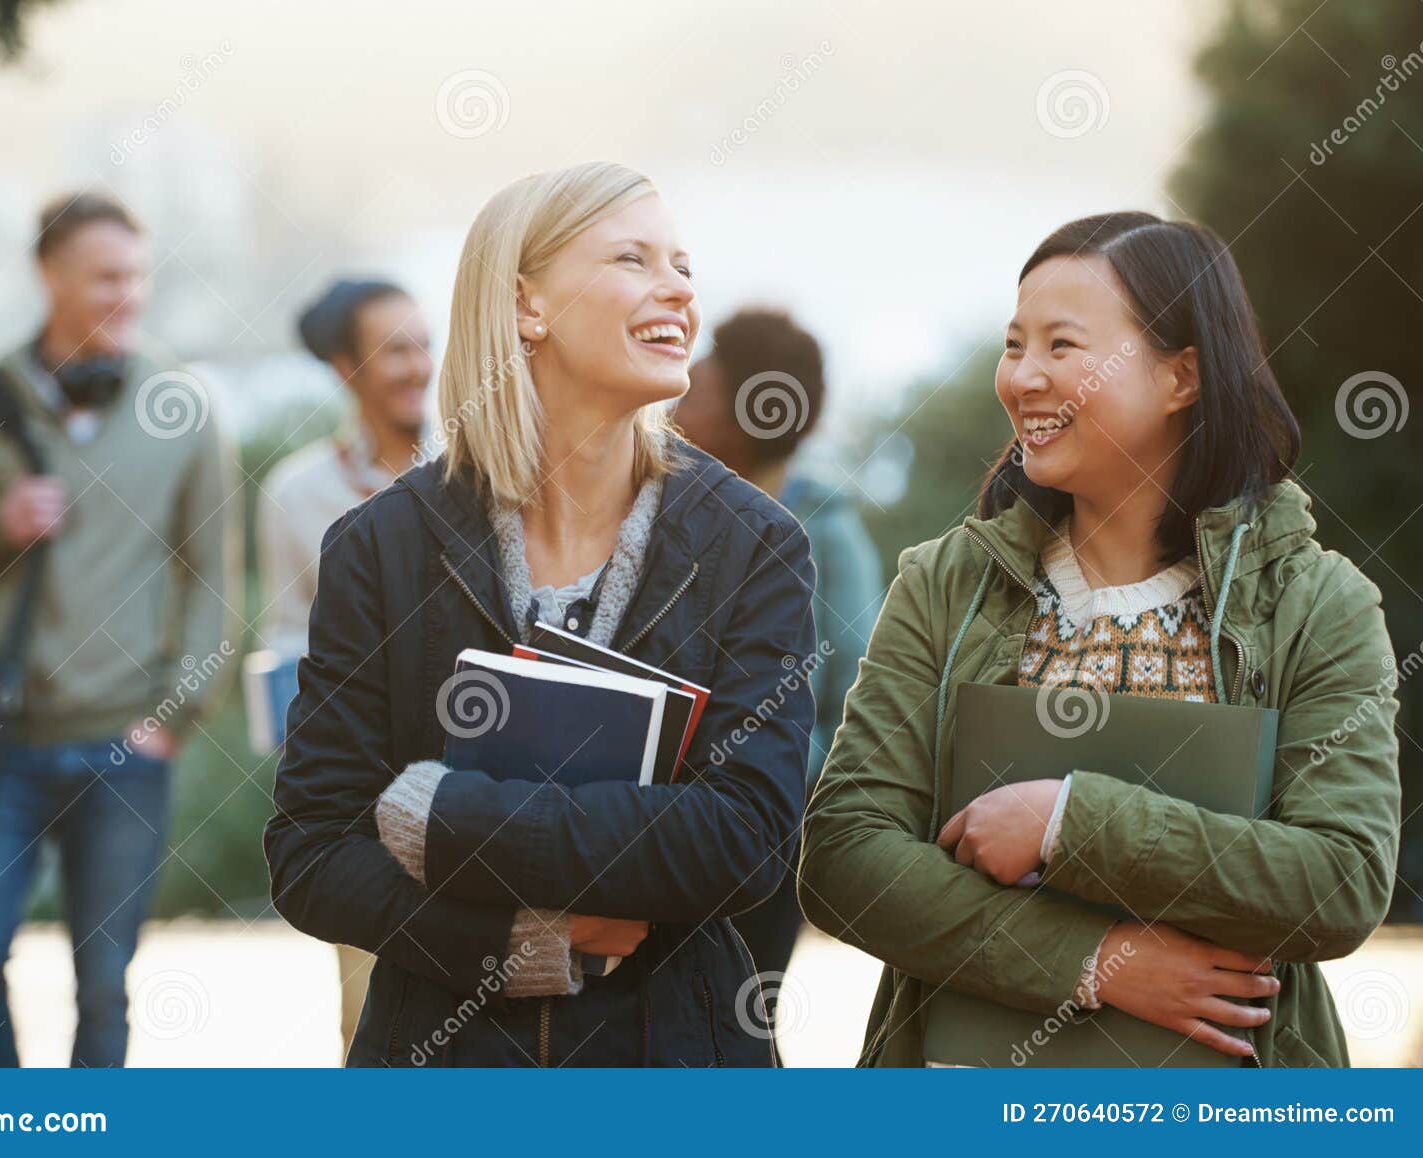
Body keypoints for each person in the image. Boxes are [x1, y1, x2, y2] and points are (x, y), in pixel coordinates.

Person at [798, 212, 1401, 1067]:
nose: (1023, 378)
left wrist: (1070, 824)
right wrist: (1098, 964)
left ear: (1181, 376)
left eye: (1062, 346)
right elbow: (845, 858)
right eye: (1015, 345)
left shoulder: (1317, 602)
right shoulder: (944, 583)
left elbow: (1339, 882)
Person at [263, 161, 817, 1066]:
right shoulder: (379, 546)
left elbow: (748, 841)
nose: (677, 286)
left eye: (682, 263)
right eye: (634, 259)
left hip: (677, 1059)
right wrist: (508, 948)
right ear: (527, 306)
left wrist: (442, 817)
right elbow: (312, 851)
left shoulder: (756, 544)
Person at [0, 191, 242, 1066]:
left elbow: (211, 583)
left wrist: (174, 716)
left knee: (104, 983)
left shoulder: (185, 408)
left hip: (123, 747)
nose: (129, 294)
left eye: (137, 276)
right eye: (106, 277)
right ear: (49, 275)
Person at [673, 308, 883, 1015]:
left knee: (736, 1019)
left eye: (697, 393)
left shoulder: (826, 533)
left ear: (744, 417)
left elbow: (855, 695)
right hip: (654, 821)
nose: (676, 402)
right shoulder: (663, 508)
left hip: (768, 831)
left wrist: (762, 777)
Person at [256, 276, 432, 1057]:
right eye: (395, 350)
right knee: (367, 1017)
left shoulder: (481, 467)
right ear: (345, 368)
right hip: (362, 797)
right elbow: (289, 640)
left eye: (425, 343)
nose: (418, 365)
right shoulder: (300, 492)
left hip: (484, 778)